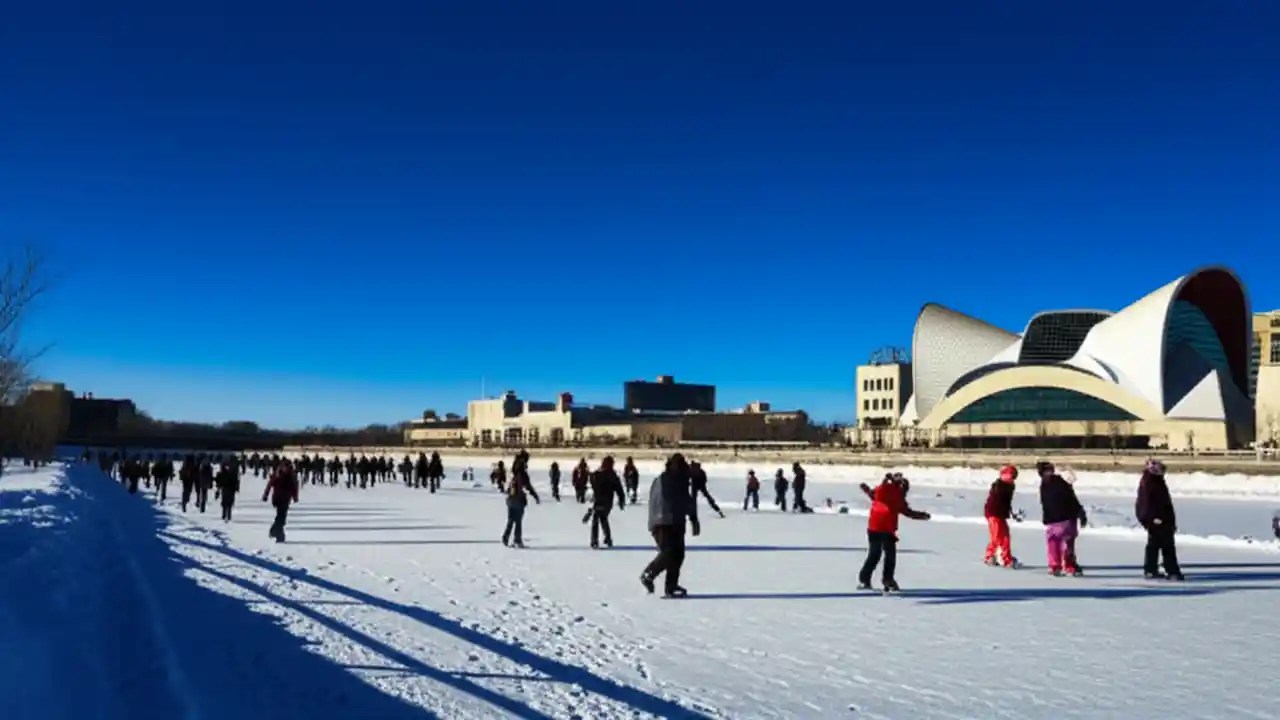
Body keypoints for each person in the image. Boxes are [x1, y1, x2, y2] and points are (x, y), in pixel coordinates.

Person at [858, 473, 931, 592]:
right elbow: (907, 511)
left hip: (878, 529)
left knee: (876, 555)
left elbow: (874, 494)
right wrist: (921, 515)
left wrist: (921, 515)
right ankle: (886, 580)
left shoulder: (890, 495)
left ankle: (866, 579)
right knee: (887, 556)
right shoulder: (892, 494)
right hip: (882, 529)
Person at [641, 454, 699, 598]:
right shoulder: (674, 480)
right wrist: (693, 519)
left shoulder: (665, 478)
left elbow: (685, 500)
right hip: (665, 522)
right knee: (670, 552)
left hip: (669, 521)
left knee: (677, 554)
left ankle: (671, 586)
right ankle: (649, 574)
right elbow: (685, 500)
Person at [1136, 459, 1183, 581]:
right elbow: (1145, 503)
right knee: (1165, 546)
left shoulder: (1157, 481)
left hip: (1163, 519)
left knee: (1156, 545)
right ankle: (1171, 571)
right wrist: (1152, 518)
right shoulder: (1149, 482)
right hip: (1157, 520)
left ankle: (1151, 569)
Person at [1038, 461, 1087, 577]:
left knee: (1054, 543)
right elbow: (1071, 500)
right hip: (1065, 518)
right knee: (1067, 542)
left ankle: (1055, 565)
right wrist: (1080, 512)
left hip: (1053, 519)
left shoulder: (1044, 484)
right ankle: (1068, 565)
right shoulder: (1059, 483)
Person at [585, 456, 627, 548]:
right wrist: (621, 500)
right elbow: (619, 489)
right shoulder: (611, 475)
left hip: (601, 500)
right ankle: (606, 538)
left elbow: (594, 484)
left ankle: (596, 540)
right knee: (602, 518)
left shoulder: (602, 474)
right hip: (606, 501)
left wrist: (592, 476)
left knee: (597, 518)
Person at [984, 465, 1020, 568]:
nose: (1011, 479)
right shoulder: (998, 485)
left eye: (1013, 477)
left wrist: (1011, 513)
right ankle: (992, 556)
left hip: (1001, 514)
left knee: (1005, 536)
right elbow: (997, 500)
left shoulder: (1010, 486)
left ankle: (1005, 556)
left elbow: (1007, 502)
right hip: (993, 513)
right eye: (1009, 476)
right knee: (997, 536)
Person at [502, 464, 540, 548]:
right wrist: (535, 496)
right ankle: (517, 540)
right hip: (518, 502)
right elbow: (528, 487)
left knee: (511, 520)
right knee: (518, 522)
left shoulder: (514, 477)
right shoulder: (523, 476)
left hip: (510, 501)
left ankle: (505, 537)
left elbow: (509, 490)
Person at [262, 458, 299, 542]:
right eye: (285, 467)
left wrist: (295, 497)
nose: (286, 469)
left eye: (288, 467)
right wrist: (265, 495)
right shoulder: (278, 474)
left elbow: (295, 487)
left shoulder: (291, 475)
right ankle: (278, 535)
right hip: (278, 498)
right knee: (281, 517)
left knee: (281, 517)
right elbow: (270, 484)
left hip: (286, 498)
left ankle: (275, 532)